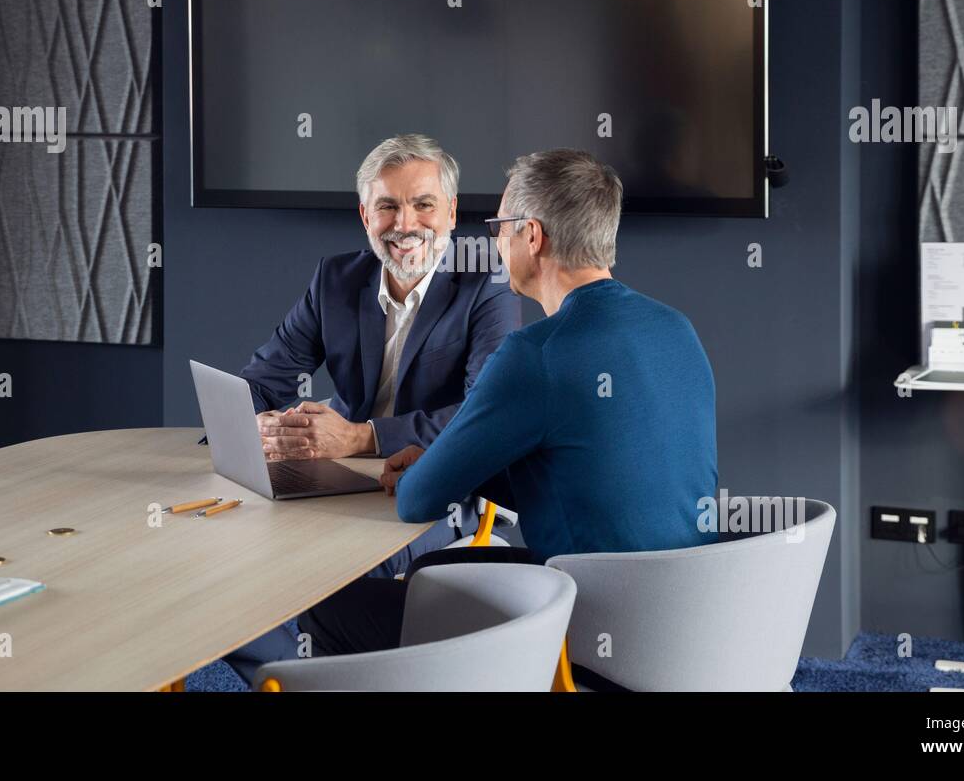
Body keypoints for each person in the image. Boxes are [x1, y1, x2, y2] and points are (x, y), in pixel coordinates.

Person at [298, 149, 717, 683]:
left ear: (532, 236)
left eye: (500, 227)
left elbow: (416, 501)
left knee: (327, 608)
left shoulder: (535, 354)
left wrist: (434, 471)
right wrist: (449, 463)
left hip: (587, 630)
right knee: (433, 571)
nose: (495, 242)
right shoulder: (676, 328)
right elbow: (597, 474)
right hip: (685, 624)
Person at [223, 134, 520, 682]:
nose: (405, 223)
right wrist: (258, 424)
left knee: (308, 577)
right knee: (228, 561)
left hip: (434, 488)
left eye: (423, 204)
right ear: (365, 215)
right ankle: (297, 675)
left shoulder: (489, 286)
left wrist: (362, 437)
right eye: (387, 206)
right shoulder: (335, 280)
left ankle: (308, 670)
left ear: (451, 213)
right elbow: (262, 380)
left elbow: (481, 418)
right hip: (333, 477)